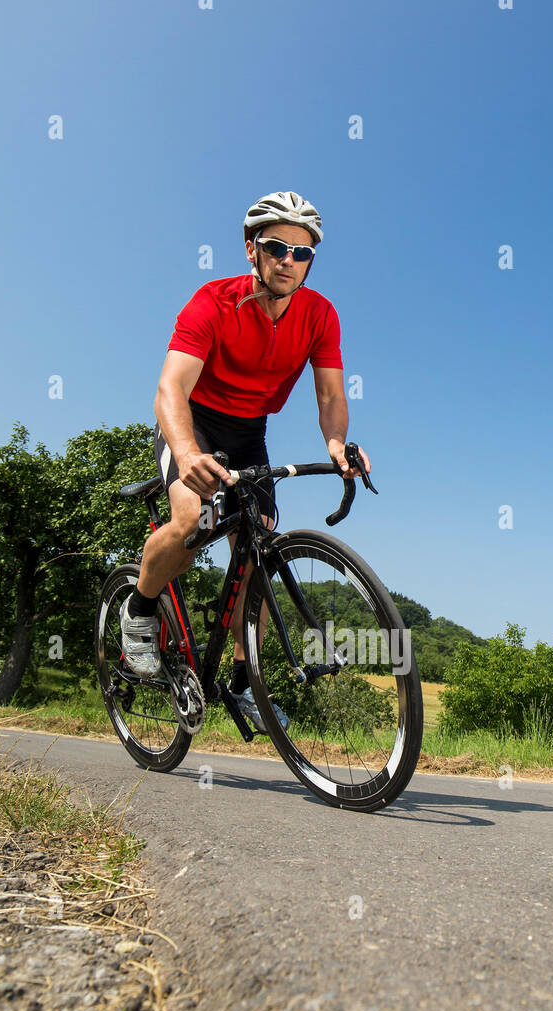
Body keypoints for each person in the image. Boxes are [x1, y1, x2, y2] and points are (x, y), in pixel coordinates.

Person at [119, 190, 371, 731]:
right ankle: (139, 611)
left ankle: (242, 680)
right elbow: (170, 388)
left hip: (250, 435)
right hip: (195, 421)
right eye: (277, 247)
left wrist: (336, 443)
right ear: (251, 249)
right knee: (189, 522)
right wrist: (186, 452)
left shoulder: (320, 315)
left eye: (302, 253)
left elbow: (330, 395)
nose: (289, 260)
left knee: (257, 551)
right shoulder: (212, 301)